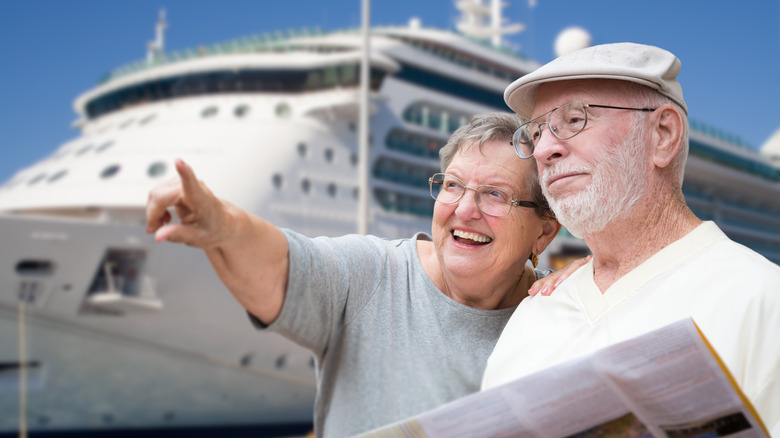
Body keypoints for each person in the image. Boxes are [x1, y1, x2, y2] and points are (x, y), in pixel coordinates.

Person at [146, 112, 567, 437]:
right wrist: (223, 226)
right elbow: (283, 267)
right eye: (452, 185)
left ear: (544, 231)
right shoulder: (372, 275)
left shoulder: (561, 310)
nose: (464, 209)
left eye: (495, 195)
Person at [480, 42, 780, 435]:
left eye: (574, 119)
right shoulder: (535, 314)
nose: (545, 149)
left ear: (663, 134)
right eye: (536, 133)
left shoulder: (760, 298)